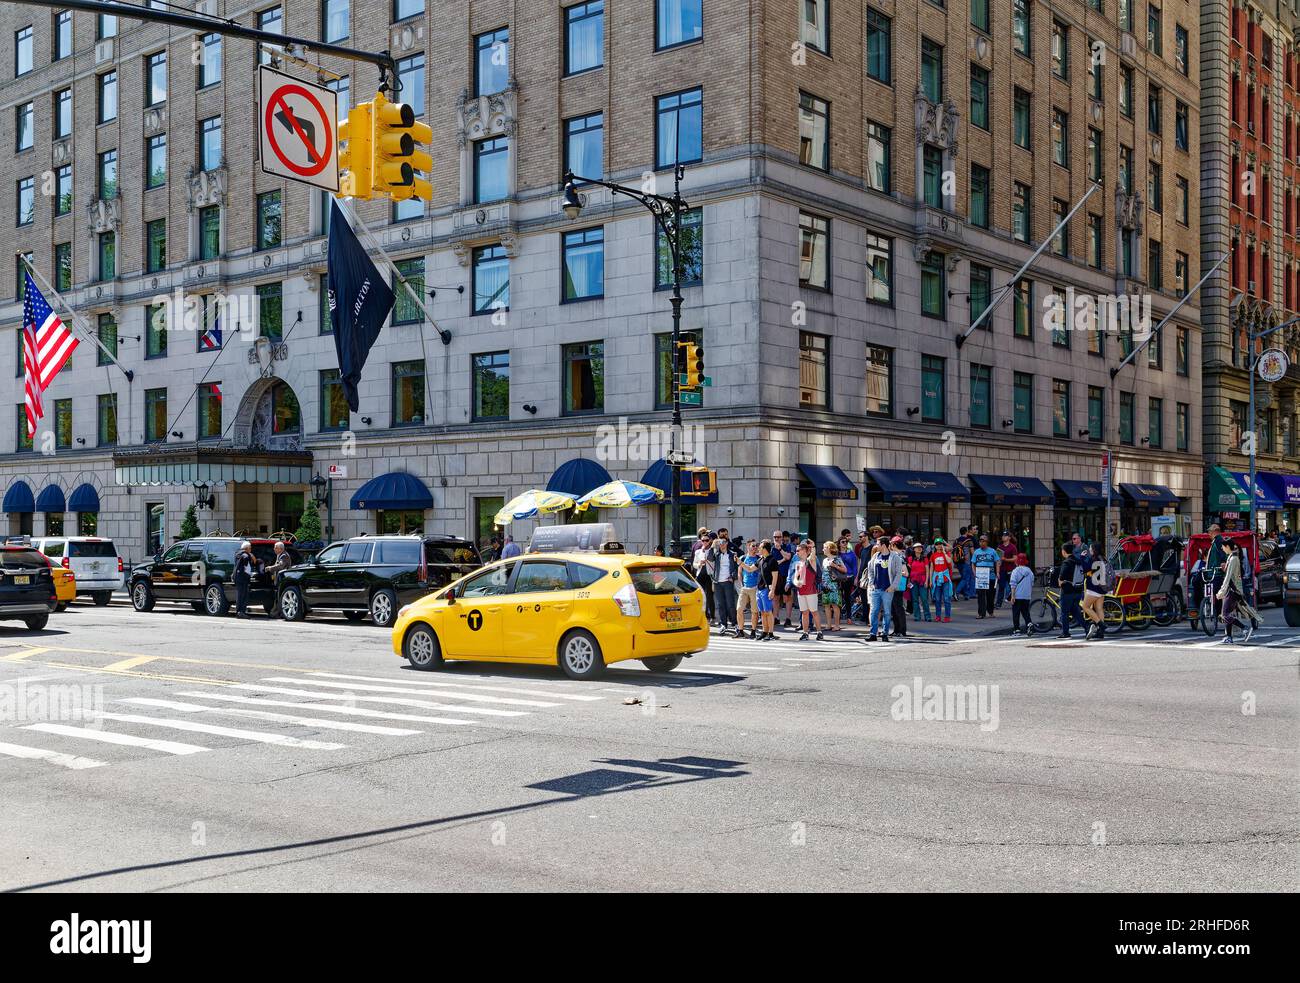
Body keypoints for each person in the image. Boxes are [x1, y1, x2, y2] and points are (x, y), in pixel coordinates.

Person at [1216, 540, 1252, 643]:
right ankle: (1229, 637)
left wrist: (1221, 592)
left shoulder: (1233, 559)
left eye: (1223, 547)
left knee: (1225, 614)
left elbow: (1228, 577)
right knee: (1227, 613)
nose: (1222, 549)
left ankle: (1244, 627)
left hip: (1233, 590)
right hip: (1232, 589)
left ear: (1227, 546)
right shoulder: (1232, 557)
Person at [862, 538, 897, 642]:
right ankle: (873, 633)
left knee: (886, 612)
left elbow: (898, 573)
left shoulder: (894, 557)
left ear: (884, 545)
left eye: (878, 544)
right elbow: (870, 570)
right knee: (873, 611)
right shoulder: (875, 556)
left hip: (887, 589)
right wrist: (872, 583)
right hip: (876, 589)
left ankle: (885, 633)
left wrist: (892, 586)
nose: (876, 546)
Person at [791, 541, 824, 641]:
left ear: (804, 551)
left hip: (811, 591)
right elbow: (795, 578)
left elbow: (813, 554)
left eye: (798, 550)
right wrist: (797, 583)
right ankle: (805, 633)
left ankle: (819, 632)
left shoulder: (811, 560)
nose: (796, 552)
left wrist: (812, 546)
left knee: (814, 612)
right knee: (804, 612)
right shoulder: (798, 563)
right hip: (801, 592)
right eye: (796, 550)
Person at [709, 534, 739, 635]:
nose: (721, 544)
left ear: (727, 543)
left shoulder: (732, 554)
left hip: (727, 582)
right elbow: (709, 558)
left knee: (730, 604)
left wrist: (733, 577)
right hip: (717, 582)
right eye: (720, 542)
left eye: (723, 542)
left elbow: (736, 568)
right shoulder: (716, 554)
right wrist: (712, 546)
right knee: (721, 604)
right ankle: (723, 624)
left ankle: (734, 623)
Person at [1081, 542, 1111, 640]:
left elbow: (1085, 569)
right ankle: (1100, 633)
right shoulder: (1103, 559)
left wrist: (1082, 558)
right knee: (1099, 608)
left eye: (1090, 548)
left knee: (1085, 606)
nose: (1089, 549)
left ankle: (1100, 624)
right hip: (1102, 587)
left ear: (1093, 549)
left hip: (1093, 587)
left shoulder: (1093, 559)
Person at [1057, 543, 1085, 638]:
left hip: (1067, 590)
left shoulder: (1067, 562)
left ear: (1064, 551)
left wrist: (1060, 581)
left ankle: (1065, 632)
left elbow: (1062, 575)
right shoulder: (1078, 561)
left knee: (1064, 612)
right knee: (1075, 611)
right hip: (1078, 589)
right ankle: (1087, 627)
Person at [737, 539, 763, 639]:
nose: (755, 548)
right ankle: (740, 630)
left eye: (756, 546)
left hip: (755, 587)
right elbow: (739, 572)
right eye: (753, 546)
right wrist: (741, 583)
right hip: (745, 587)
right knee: (739, 609)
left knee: (754, 611)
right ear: (748, 547)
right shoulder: (743, 558)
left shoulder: (758, 559)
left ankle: (753, 630)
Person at [971, 535, 1000, 618]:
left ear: (987, 542)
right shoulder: (976, 552)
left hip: (991, 576)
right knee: (980, 596)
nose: (981, 543)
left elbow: (997, 561)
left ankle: (990, 612)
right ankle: (981, 613)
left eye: (983, 541)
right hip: (980, 577)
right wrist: (974, 572)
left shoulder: (992, 551)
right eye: (980, 541)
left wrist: (997, 572)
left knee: (990, 595)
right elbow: (973, 563)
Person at [819, 540, 846, 631]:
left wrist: (835, 565)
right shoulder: (824, 560)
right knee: (826, 605)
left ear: (829, 548)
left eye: (824, 547)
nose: (823, 549)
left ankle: (837, 625)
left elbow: (844, 570)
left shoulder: (837, 559)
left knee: (835, 605)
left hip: (834, 585)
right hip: (825, 585)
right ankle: (828, 625)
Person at [758, 539, 780, 641]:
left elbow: (775, 577)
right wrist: (740, 563)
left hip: (767, 589)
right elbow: (750, 569)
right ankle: (764, 631)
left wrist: (772, 590)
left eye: (760, 547)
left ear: (765, 549)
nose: (759, 548)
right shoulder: (760, 560)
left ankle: (770, 633)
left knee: (768, 612)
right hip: (760, 589)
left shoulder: (772, 560)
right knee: (762, 612)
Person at [928, 538, 954, 623]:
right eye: (937, 544)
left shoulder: (946, 553)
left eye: (940, 543)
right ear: (934, 546)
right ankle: (938, 616)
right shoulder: (933, 555)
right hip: (937, 579)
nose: (939, 545)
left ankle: (947, 616)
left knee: (947, 598)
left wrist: (944, 552)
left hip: (945, 579)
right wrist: (931, 581)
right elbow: (931, 568)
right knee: (937, 599)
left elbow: (949, 561)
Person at [1009, 554, 1035, 636]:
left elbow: (1013, 584)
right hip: (1026, 596)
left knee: (1016, 613)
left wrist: (1012, 596)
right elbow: (1032, 583)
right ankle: (1029, 624)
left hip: (1017, 595)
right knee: (1026, 612)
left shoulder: (1015, 571)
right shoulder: (1030, 571)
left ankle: (1017, 630)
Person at [888, 536, 909, 637]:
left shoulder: (900, 556)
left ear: (894, 545)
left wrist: (896, 572)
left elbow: (906, 573)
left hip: (898, 585)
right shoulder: (896, 555)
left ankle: (902, 630)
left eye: (891, 544)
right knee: (894, 608)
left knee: (898, 608)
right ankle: (896, 630)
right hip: (894, 585)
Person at [693, 534, 715, 623]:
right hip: (700, 575)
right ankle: (704, 615)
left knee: (709, 596)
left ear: (709, 540)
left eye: (706, 540)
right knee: (701, 596)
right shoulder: (698, 552)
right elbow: (694, 564)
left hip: (709, 575)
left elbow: (715, 563)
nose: (704, 542)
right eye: (703, 540)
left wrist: (707, 560)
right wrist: (699, 564)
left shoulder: (712, 551)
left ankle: (712, 616)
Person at [233, 540, 258, 619]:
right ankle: (241, 612)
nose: (250, 550)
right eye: (250, 549)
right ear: (247, 548)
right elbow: (245, 558)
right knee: (243, 595)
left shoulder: (237, 553)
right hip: (242, 578)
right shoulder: (244, 554)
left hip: (239, 577)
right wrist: (250, 556)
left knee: (240, 595)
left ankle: (240, 612)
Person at [907, 543, 931, 623]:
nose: (919, 549)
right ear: (914, 549)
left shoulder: (925, 558)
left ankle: (927, 616)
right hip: (913, 581)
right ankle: (917, 616)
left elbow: (927, 570)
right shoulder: (910, 559)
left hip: (923, 580)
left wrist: (927, 581)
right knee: (915, 600)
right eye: (917, 547)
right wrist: (908, 581)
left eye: (920, 547)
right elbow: (908, 571)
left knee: (924, 599)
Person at [996, 532, 1018, 609]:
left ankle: (1015, 602)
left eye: (1005, 536)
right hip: (1002, 570)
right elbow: (998, 561)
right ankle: (998, 604)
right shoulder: (999, 547)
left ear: (1009, 538)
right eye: (1003, 535)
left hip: (1011, 570)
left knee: (1013, 586)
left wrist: (1006, 559)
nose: (1003, 537)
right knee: (1001, 587)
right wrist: (997, 572)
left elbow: (1015, 558)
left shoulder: (1012, 547)